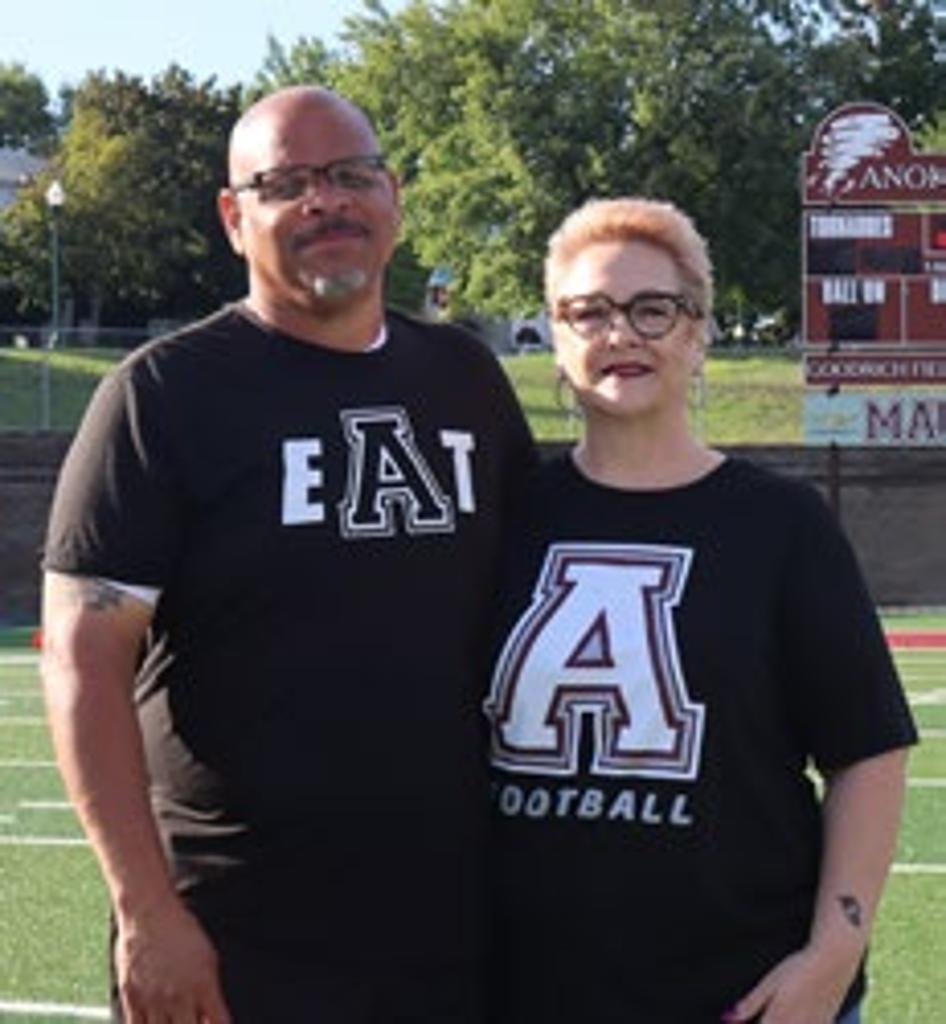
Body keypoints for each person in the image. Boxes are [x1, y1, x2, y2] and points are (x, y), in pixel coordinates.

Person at [40, 85, 535, 1023]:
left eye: (351, 176)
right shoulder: (163, 396)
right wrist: (146, 913)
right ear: (236, 217)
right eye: (287, 183)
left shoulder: (466, 380)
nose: (326, 202)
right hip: (233, 931)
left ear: (392, 197)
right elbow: (81, 659)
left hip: (450, 921)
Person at [483, 197, 916, 1024]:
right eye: (591, 312)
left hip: (743, 986)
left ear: (700, 331)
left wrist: (834, 953)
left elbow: (867, 751)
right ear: (557, 336)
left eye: (654, 308)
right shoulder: (501, 518)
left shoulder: (780, 524)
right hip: (530, 987)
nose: (622, 333)